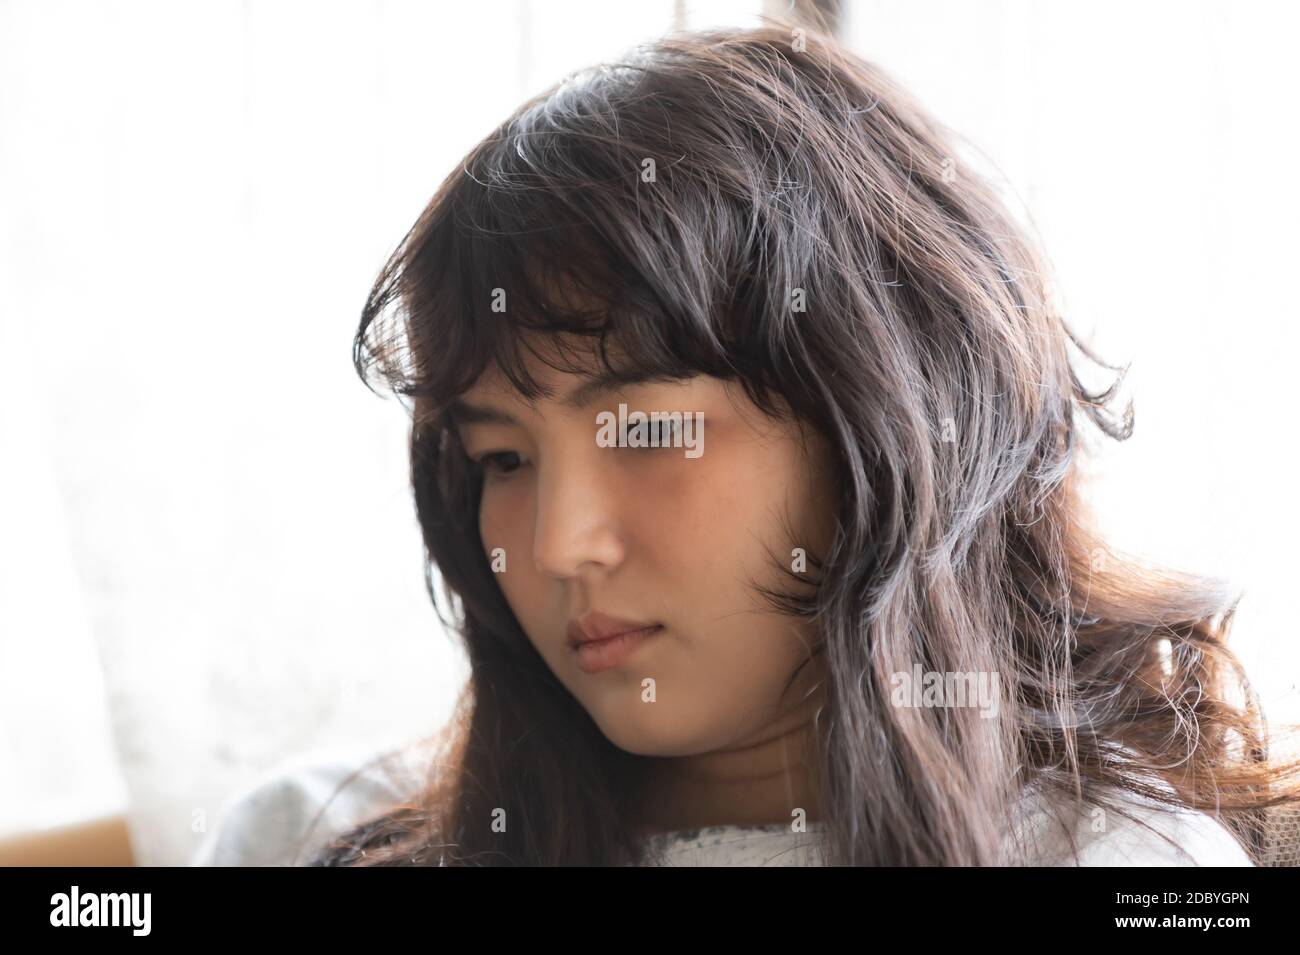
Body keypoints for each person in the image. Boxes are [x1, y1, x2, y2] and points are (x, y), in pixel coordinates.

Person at [200, 21, 1297, 867]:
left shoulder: (1120, 863)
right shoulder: (310, 832)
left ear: (884, 426)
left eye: (648, 427)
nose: (557, 545)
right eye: (502, 458)